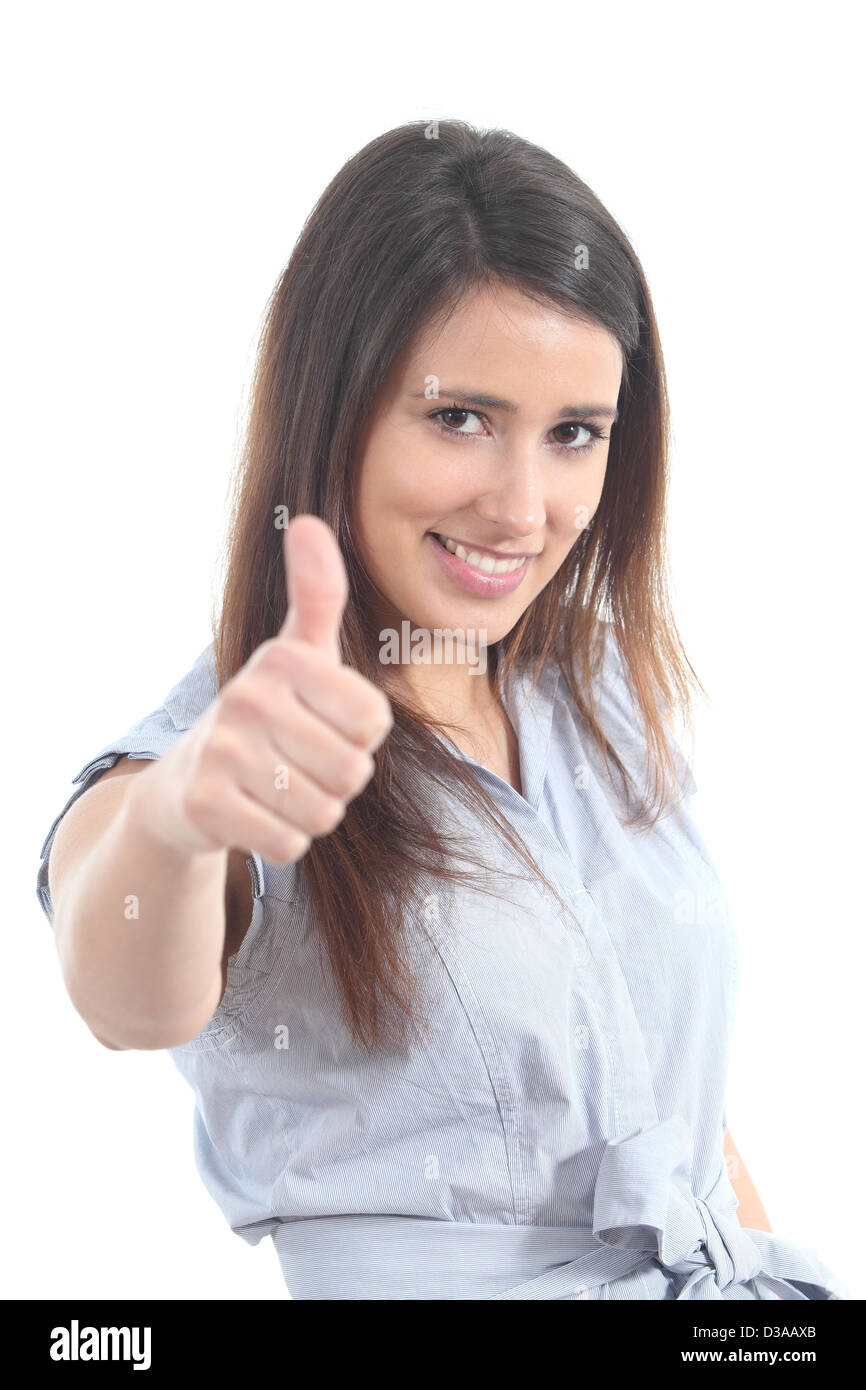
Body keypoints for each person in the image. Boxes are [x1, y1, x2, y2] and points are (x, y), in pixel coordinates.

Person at [35, 119, 850, 1301]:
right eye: (459, 417)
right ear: (335, 410)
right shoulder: (231, 749)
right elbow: (122, 993)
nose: (523, 508)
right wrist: (173, 822)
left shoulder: (595, 696)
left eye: (574, 434)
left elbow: (690, 1149)